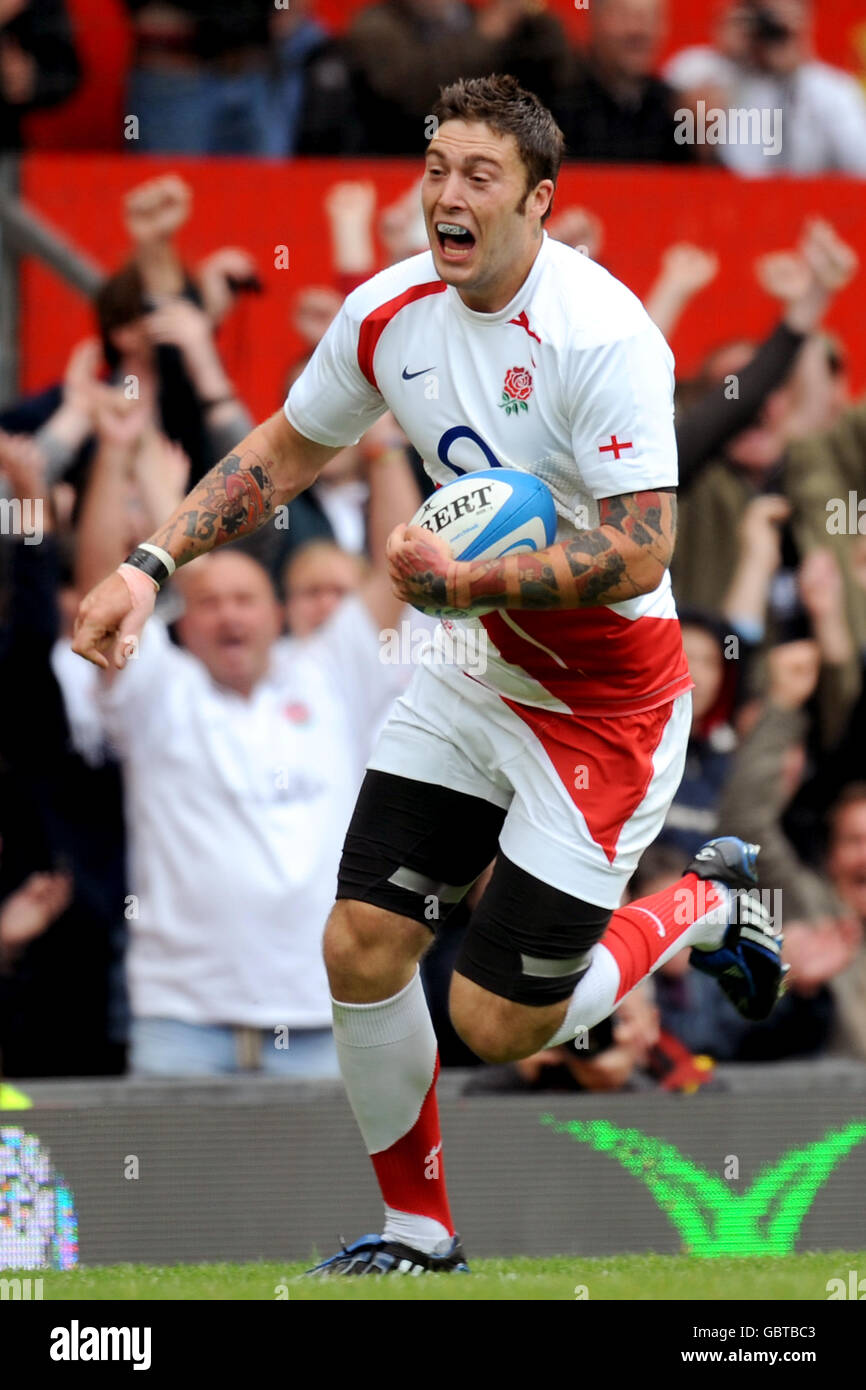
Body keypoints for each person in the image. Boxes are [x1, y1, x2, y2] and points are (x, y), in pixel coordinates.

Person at [72, 75, 785, 1274]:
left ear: (539, 203)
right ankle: (417, 1230)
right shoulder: (384, 313)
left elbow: (642, 549)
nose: (444, 197)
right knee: (359, 944)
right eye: (434, 168)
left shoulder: (603, 333)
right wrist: (149, 566)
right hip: (475, 674)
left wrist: (471, 584)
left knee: (497, 1021)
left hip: (608, 702)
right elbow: (283, 452)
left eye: (479, 176)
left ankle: (705, 903)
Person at [554, 0, 696, 165]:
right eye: (624, 16)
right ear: (595, 20)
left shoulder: (674, 110)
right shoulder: (555, 103)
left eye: (650, 18)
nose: (639, 31)